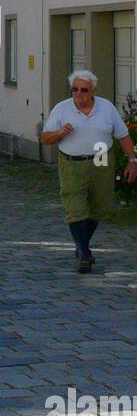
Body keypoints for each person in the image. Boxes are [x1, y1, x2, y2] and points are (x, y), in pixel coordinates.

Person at [40, 69, 137, 273]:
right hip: (72, 162)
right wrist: (59, 133)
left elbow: (123, 135)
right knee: (75, 207)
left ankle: (81, 245)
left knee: (99, 206)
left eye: (83, 90)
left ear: (92, 90)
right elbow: (45, 138)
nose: (78, 93)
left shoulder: (106, 107)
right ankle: (84, 254)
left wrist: (132, 160)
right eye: (74, 89)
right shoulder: (62, 109)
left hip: (101, 159)